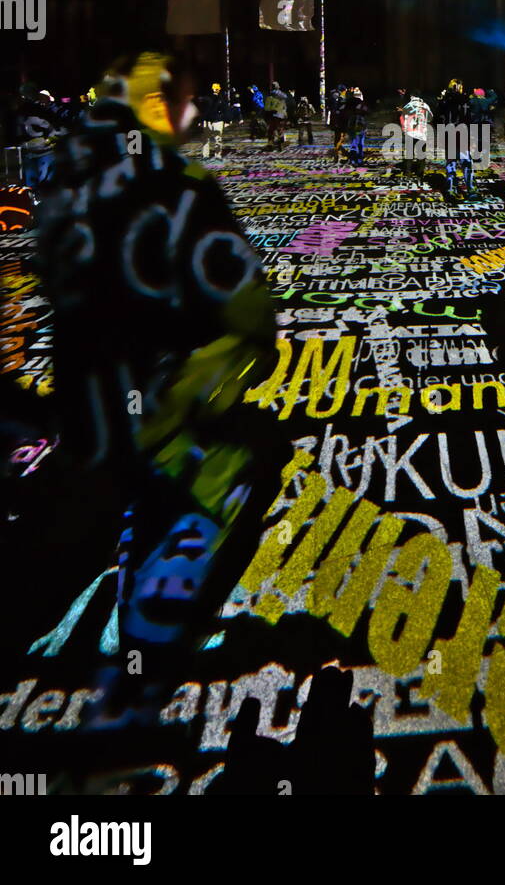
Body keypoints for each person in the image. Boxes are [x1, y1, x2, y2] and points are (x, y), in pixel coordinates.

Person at [35, 50, 284, 725]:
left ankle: (120, 640)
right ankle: (146, 664)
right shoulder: (180, 185)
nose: (195, 113)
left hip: (89, 399)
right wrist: (243, 348)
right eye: (184, 101)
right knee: (198, 499)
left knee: (121, 506)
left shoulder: (68, 181)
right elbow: (242, 297)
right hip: (166, 398)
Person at [399, 90, 432, 179]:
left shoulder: (408, 105)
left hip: (410, 132)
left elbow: (402, 116)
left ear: (412, 96)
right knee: (421, 154)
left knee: (409, 154)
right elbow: (430, 118)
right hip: (422, 133)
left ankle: (408, 172)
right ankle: (420, 173)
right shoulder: (425, 105)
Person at [346, 87, 367, 167]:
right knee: (357, 144)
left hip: (357, 126)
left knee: (357, 144)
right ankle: (356, 160)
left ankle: (356, 160)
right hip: (357, 126)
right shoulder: (358, 104)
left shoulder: (354, 104)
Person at [264, 81, 288, 149]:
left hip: (273, 115)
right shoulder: (283, 97)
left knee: (271, 130)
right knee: (280, 129)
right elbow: (285, 107)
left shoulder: (270, 97)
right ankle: (281, 142)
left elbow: (267, 108)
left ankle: (270, 143)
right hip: (282, 115)